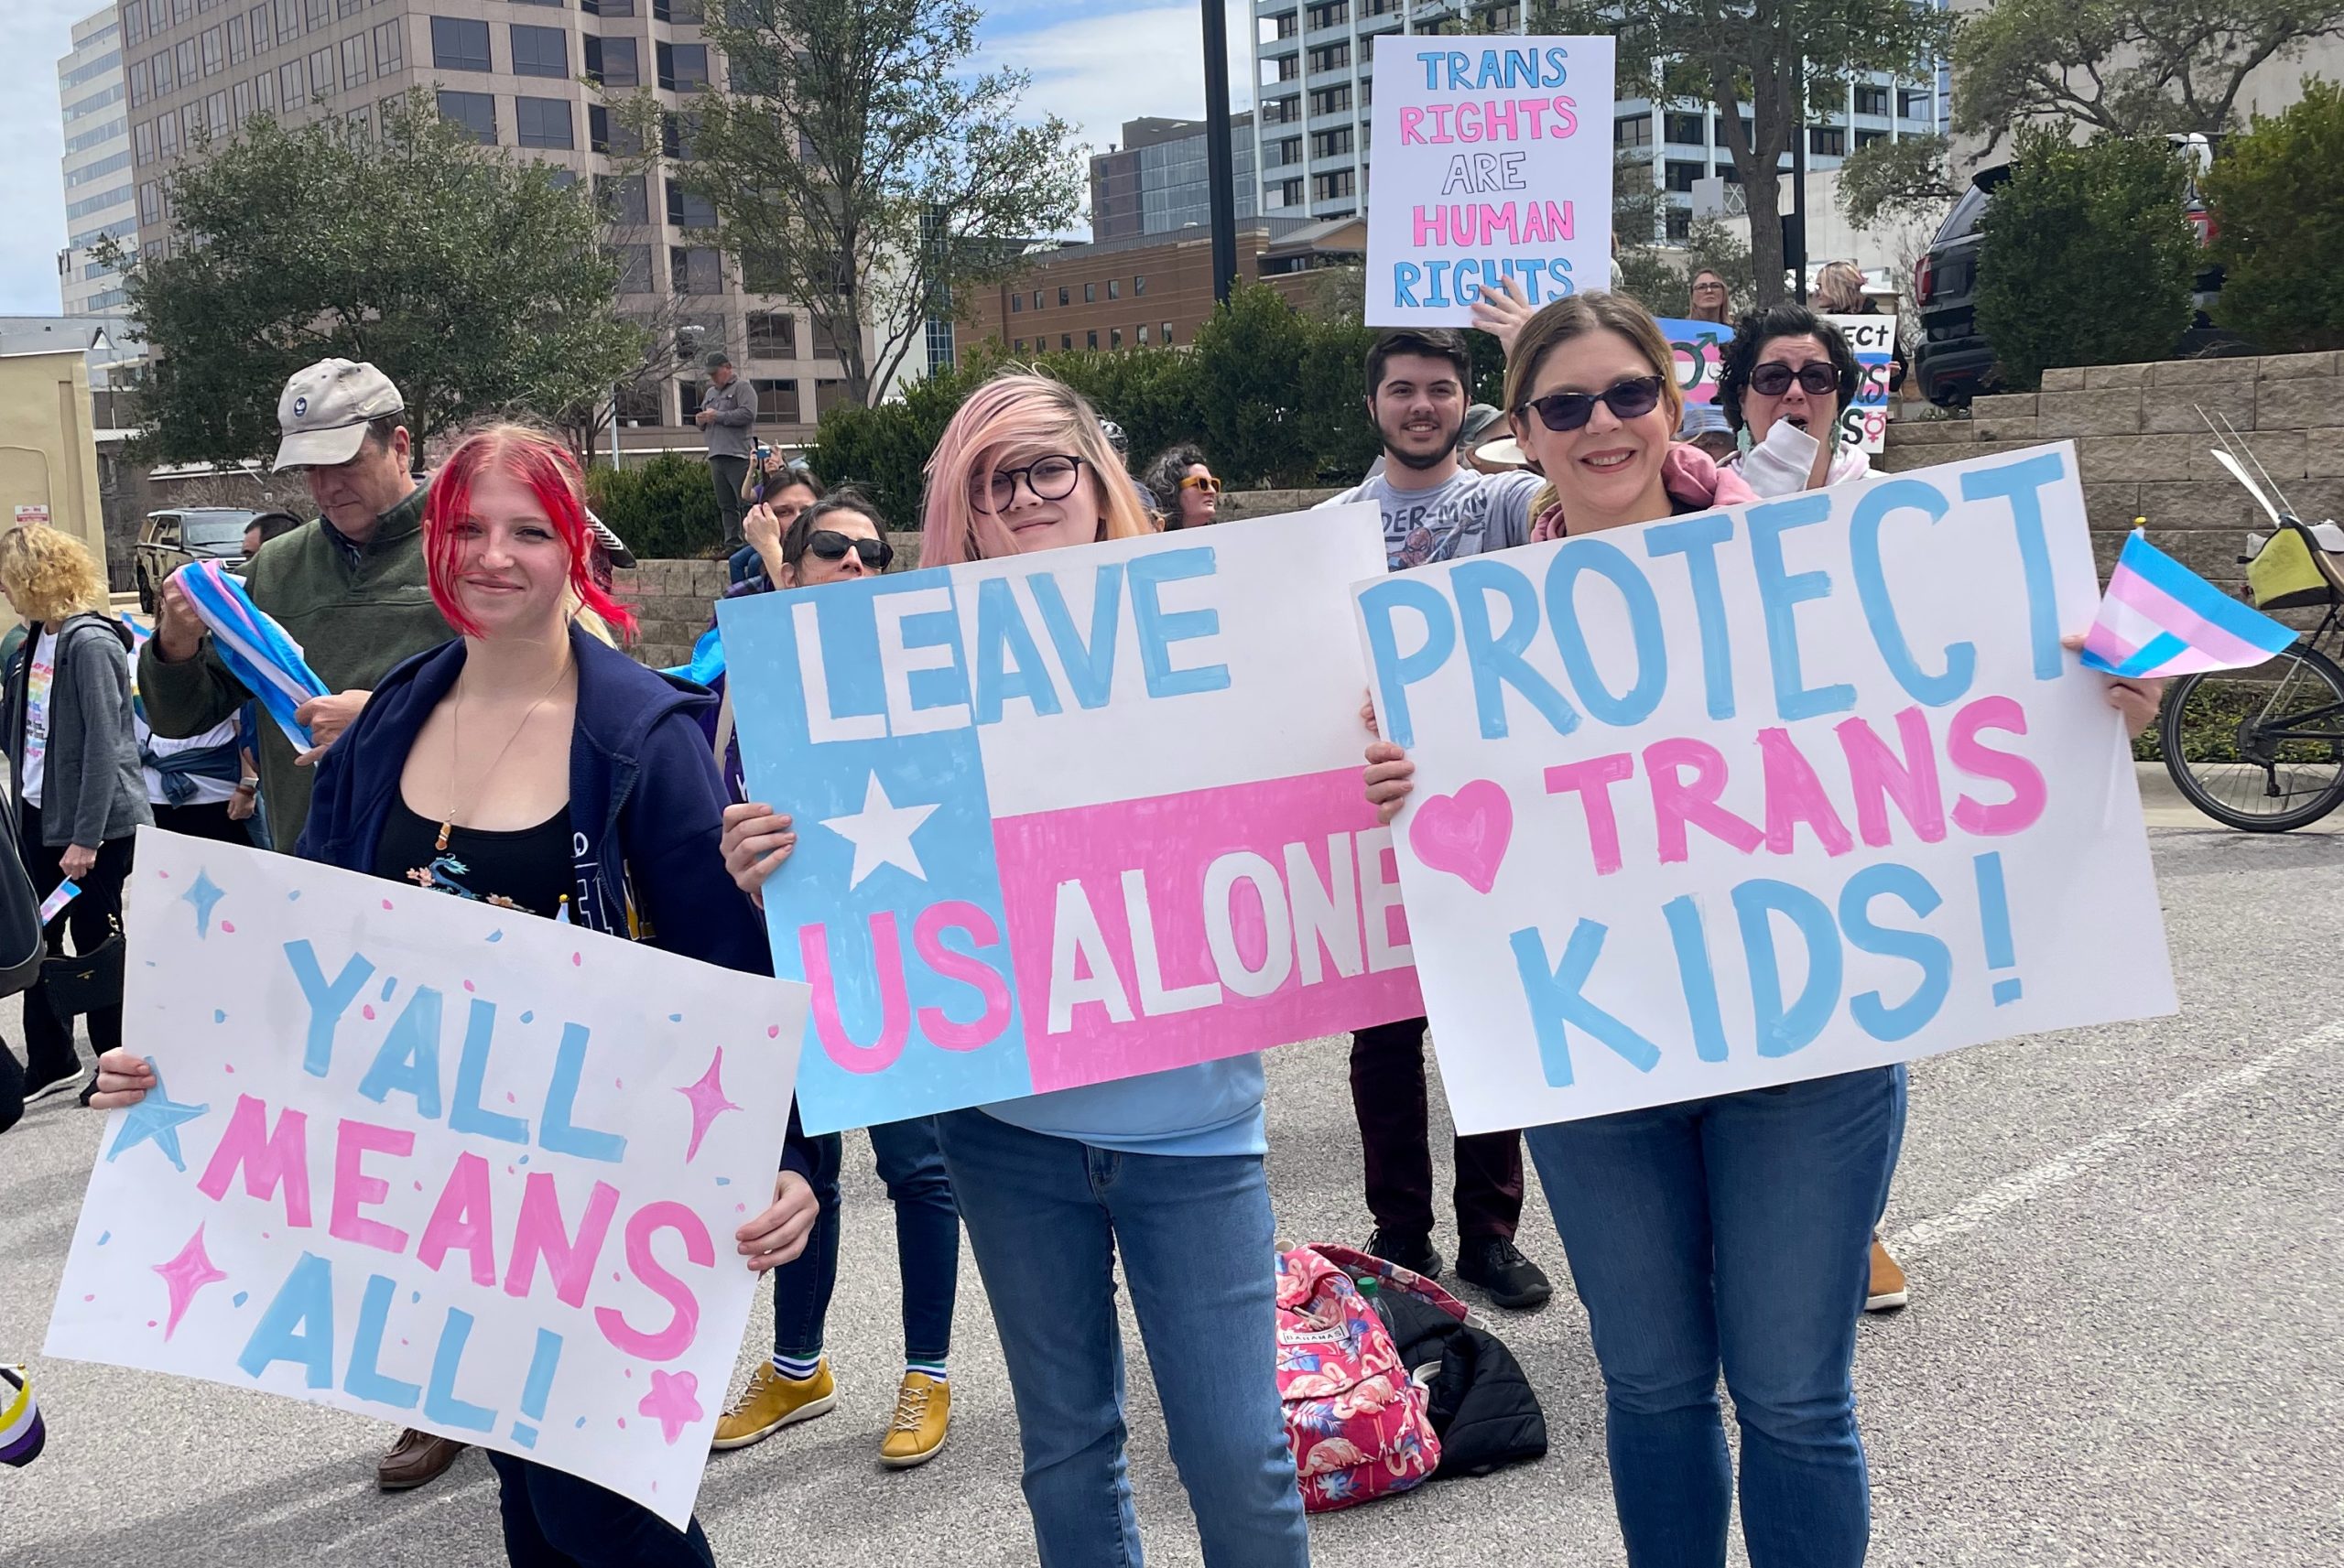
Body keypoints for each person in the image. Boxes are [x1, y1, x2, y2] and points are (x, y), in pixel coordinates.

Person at [1369, 287, 2167, 1568]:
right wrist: (1400, 785)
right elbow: (1444, 835)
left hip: (1807, 1050)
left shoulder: (1815, 557)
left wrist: (2101, 702)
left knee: (1795, 1397)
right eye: (1564, 404)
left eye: (1627, 394)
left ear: (1670, 403)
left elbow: (1976, 703)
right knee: (1655, 1391)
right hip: (1601, 1059)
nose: (1602, 423)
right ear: (1523, 429)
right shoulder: (1471, 622)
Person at [95, 421, 822, 1567]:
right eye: (467, 528)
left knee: (608, 1514)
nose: (493, 555)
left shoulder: (644, 738)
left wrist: (789, 1159)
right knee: (530, 1513)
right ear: (434, 545)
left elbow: (731, 969)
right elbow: (304, 945)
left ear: (572, 547)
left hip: (598, 1203)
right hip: (442, 1208)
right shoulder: (390, 720)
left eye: (528, 531)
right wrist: (173, 1060)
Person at [719, 372, 1310, 1566]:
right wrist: (771, 856)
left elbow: (1307, 797)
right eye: (996, 479)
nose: (1029, 496)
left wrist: (1376, 779)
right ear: (965, 512)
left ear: (1099, 479)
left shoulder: (1213, 638)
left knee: (1240, 1460)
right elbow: (849, 865)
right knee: (1067, 1451)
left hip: (1193, 1129)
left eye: (1051, 465)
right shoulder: (902, 672)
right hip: (1008, 1129)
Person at [139, 359, 463, 1490]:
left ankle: (521, 1373)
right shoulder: (272, 569)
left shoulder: (471, 548)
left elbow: (548, 683)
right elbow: (182, 714)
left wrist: (385, 713)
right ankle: (425, 1388)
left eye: (343, 461)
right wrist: (177, 647)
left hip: (465, 892)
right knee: (371, 1160)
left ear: (399, 439)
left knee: (484, 1149)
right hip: (321, 901)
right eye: (307, 471)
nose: (328, 488)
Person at [705, 485, 959, 1470]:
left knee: (919, 1172)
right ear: (794, 570)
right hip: (779, 963)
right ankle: (799, 1366)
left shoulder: (923, 680)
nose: (856, 566)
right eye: (834, 551)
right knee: (803, 1176)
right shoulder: (746, 680)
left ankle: (927, 1372)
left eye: (874, 554)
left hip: (890, 963)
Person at [1316, 328, 1555, 1312]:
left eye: (1443, 390)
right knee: (1385, 1038)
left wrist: (1536, 346)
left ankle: (1489, 1235)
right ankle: (1400, 1232)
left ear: (1469, 402)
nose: (1422, 406)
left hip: (1488, 815)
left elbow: (1573, 502)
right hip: (1375, 811)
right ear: (1372, 405)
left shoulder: (1500, 501)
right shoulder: (1329, 527)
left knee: (1488, 1024)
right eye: (1404, 390)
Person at [0, 525, 149, 1107]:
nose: (5, 591)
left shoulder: (91, 643)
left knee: (95, 940)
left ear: (38, 577)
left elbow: (105, 749)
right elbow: (26, 733)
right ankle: (51, 1057)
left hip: (95, 830)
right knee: (39, 937)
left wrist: (85, 839)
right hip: (43, 819)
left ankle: (110, 1056)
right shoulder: (33, 640)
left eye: (11, 579)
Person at [1716, 303, 1870, 499]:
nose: (1795, 392)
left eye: (1816, 376)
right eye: (1773, 377)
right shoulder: (1700, 511)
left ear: (1838, 399)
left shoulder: (1891, 501)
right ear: (1742, 400)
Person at [697, 351, 757, 553]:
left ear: (728, 367)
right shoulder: (710, 394)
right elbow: (705, 421)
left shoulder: (743, 388)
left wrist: (719, 416)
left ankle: (753, 543)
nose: (713, 378)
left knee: (745, 500)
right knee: (726, 504)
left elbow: (748, 414)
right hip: (716, 454)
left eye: (716, 373)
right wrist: (701, 420)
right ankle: (732, 543)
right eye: (711, 374)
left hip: (737, 454)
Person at [1141, 444, 1221, 529]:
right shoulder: (1149, 537)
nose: (1212, 491)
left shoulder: (1223, 539)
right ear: (1173, 490)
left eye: (1213, 484)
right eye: (1202, 483)